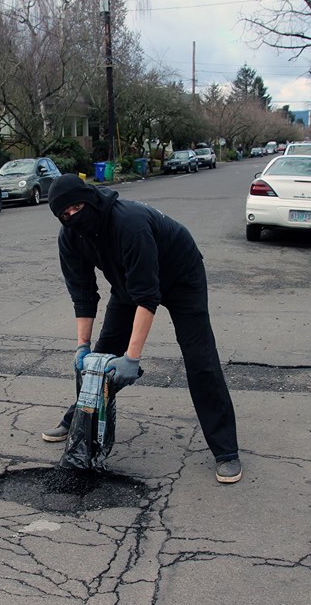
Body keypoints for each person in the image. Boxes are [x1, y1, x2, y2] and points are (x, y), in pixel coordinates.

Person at [42, 174, 242, 483]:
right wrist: (82, 346)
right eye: (65, 215)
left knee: (200, 358)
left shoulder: (129, 223)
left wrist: (132, 359)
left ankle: (226, 450)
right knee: (100, 359)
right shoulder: (70, 236)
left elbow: (148, 298)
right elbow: (83, 293)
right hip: (128, 283)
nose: (72, 217)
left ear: (90, 199)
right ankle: (79, 419)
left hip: (181, 276)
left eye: (76, 208)